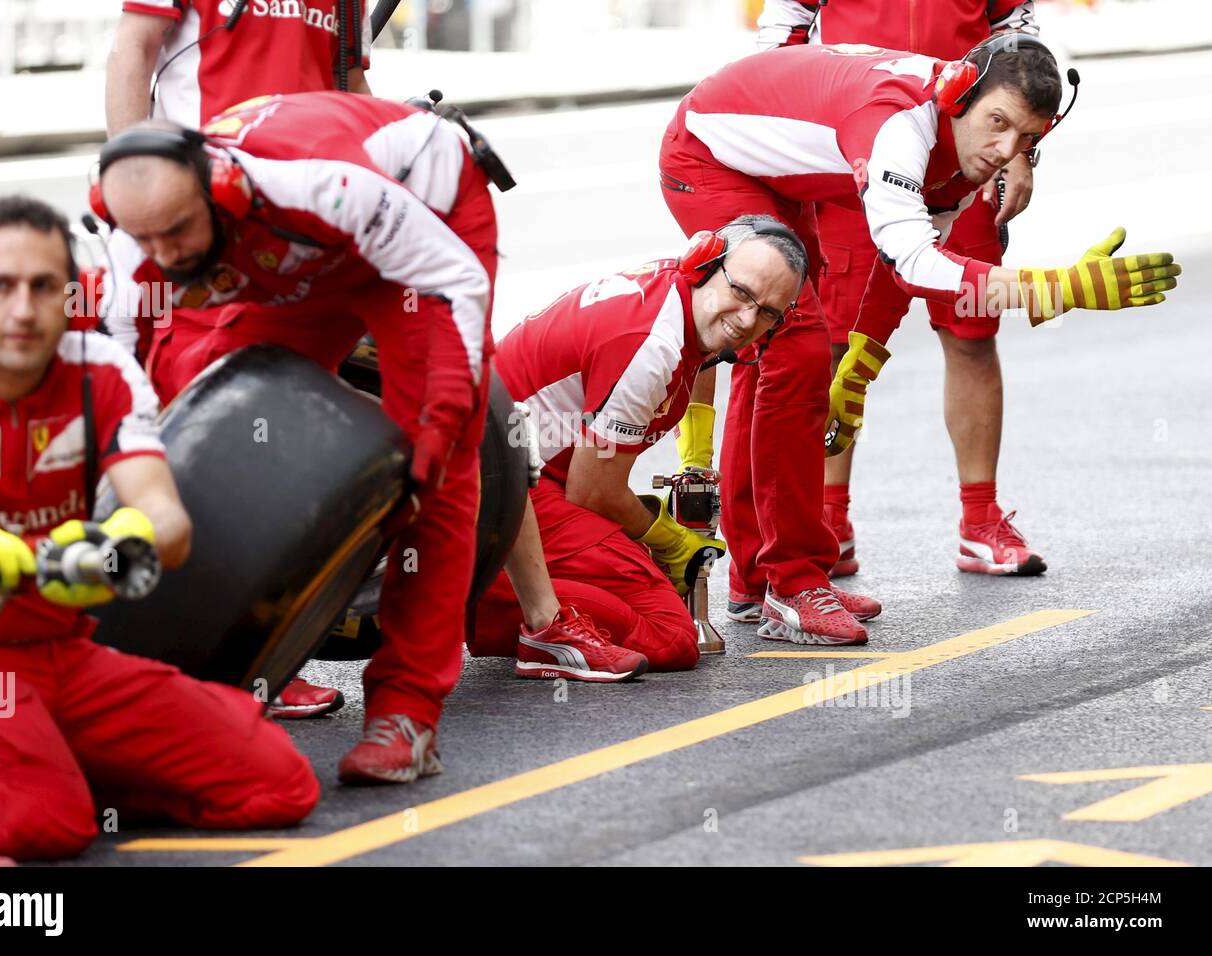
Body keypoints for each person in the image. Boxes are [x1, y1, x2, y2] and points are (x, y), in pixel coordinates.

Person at [660, 35, 1179, 644]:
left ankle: (754, 584)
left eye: (1027, 140)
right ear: (958, 94)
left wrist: (856, 369)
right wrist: (1054, 287)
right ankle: (794, 585)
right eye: (998, 123)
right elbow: (913, 260)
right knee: (796, 338)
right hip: (706, 158)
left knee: (777, 348)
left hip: (771, 173)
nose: (1005, 151)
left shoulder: (960, 149)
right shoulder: (897, 128)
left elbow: (897, 272)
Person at [98, 92, 491, 784]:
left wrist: (442, 421)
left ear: (219, 190)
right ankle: (197, 672)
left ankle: (407, 714)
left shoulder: (322, 185)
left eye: (178, 234)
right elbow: (116, 373)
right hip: (289, 255)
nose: (165, 256)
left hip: (418, 246)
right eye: (146, 242)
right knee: (205, 417)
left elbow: (456, 283)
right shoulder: (136, 237)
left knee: (437, 476)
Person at [0, 196, 319, 860]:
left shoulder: (98, 370)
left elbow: (168, 524)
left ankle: (44, 766)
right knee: (46, 824)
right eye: (0, 286)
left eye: (45, 287)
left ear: (78, 294)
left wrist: (116, 540)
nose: (23, 310)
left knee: (277, 784)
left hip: (67, 654)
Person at [754, 0, 1049, 578]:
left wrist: (1020, 150)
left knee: (971, 332)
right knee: (833, 342)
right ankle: (827, 520)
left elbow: (1017, 38)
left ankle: (980, 519)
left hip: (967, 151)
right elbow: (783, 23)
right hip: (854, 155)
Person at [469, 215, 808, 674]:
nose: (748, 320)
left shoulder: (679, 296)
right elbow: (593, 494)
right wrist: (666, 538)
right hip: (504, 487)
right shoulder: (652, 346)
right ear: (704, 264)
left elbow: (702, 360)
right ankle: (472, 602)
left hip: (518, 472)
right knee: (671, 636)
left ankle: (488, 596)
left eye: (768, 312)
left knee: (638, 585)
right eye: (743, 293)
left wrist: (694, 463)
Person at [106, 0, 372, 135]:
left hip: (310, 180)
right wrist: (126, 168)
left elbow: (350, 80)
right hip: (205, 177)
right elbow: (134, 47)